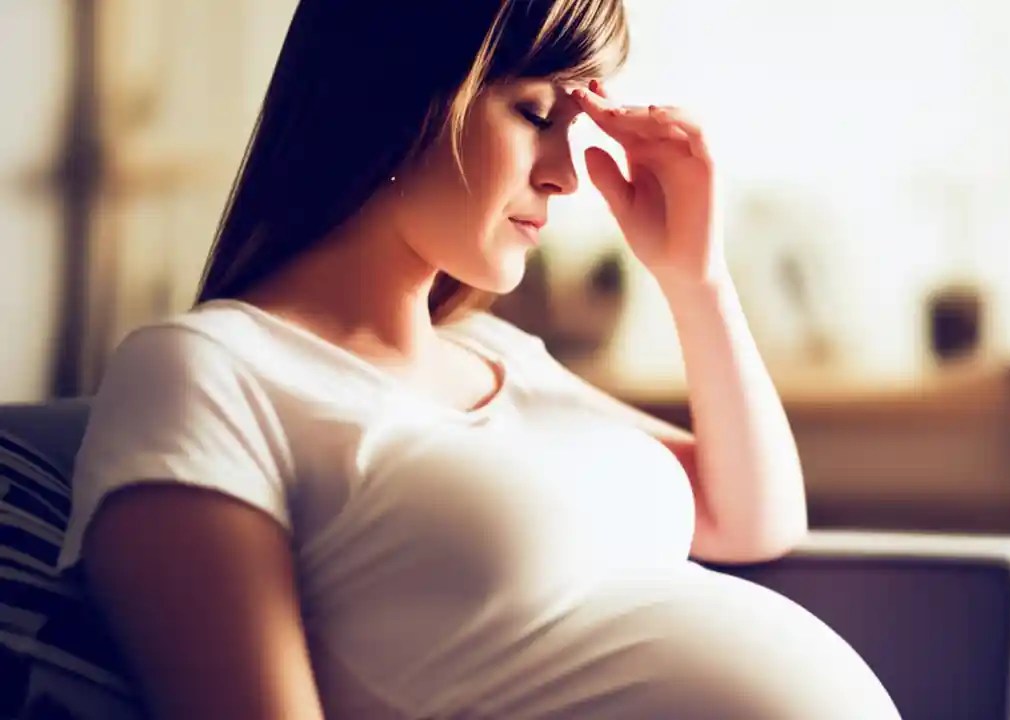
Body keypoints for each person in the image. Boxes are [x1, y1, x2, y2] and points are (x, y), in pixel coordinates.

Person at [54, 0, 901, 717]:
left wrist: (695, 279)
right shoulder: (207, 372)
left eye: (578, 126)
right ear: (396, 98)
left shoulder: (501, 356)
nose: (568, 176)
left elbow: (755, 518)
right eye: (535, 114)